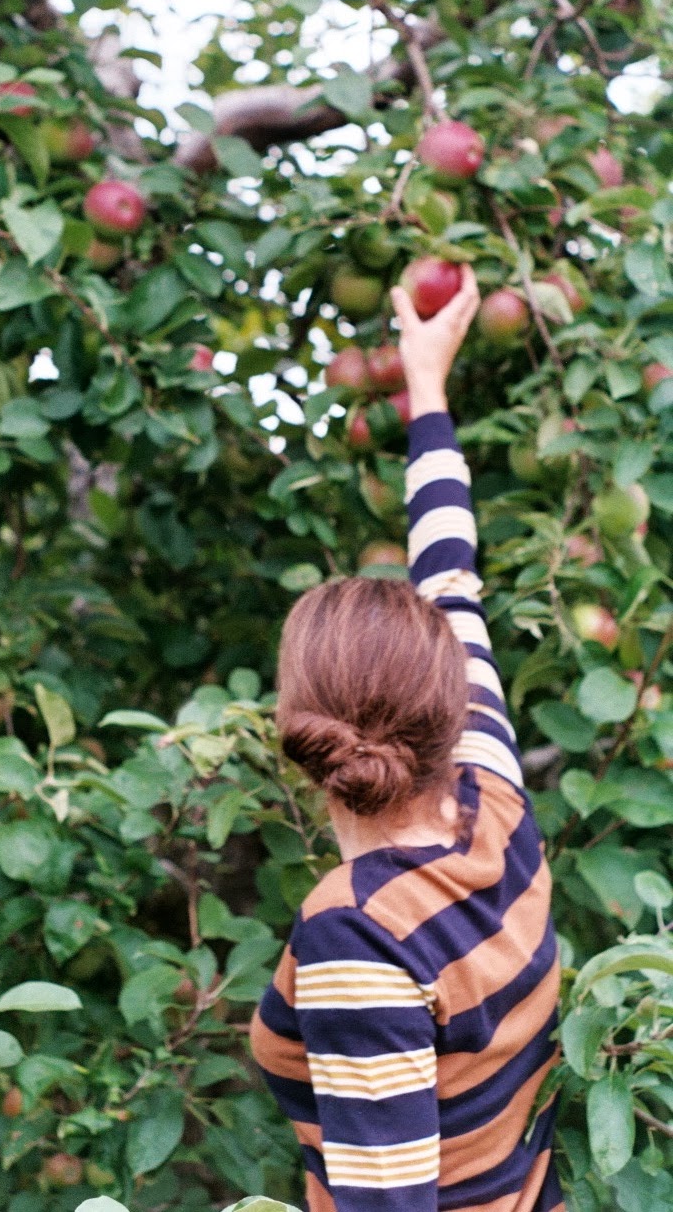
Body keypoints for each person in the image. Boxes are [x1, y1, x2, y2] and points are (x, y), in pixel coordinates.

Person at [250, 266, 563, 1212]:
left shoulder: (357, 936)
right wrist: (425, 384)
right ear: (449, 703)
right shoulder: (491, 793)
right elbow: (450, 573)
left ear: (297, 728)